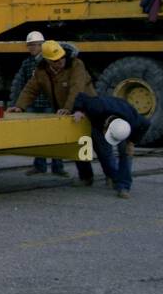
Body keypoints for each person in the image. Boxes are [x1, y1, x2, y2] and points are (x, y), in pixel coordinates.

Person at [7, 39, 97, 185]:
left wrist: (68, 108)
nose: (60, 61)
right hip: (69, 113)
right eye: (55, 60)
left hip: (88, 108)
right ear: (48, 60)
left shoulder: (76, 64)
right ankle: (86, 177)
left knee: (100, 144)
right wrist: (20, 106)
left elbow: (77, 88)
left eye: (61, 58)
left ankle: (113, 176)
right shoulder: (42, 71)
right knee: (79, 144)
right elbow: (31, 89)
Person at [8, 30, 68, 177]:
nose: (33, 48)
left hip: (49, 105)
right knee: (38, 137)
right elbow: (20, 84)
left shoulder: (49, 62)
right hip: (34, 105)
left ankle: (57, 167)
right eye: (30, 45)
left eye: (36, 45)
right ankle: (39, 166)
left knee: (53, 137)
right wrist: (16, 104)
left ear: (43, 46)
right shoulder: (27, 64)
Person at [71, 92, 150, 198]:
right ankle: (112, 176)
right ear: (106, 129)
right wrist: (78, 110)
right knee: (104, 153)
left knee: (126, 154)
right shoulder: (95, 106)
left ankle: (123, 187)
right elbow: (81, 96)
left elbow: (146, 124)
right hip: (98, 122)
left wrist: (132, 143)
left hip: (122, 122)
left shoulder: (134, 120)